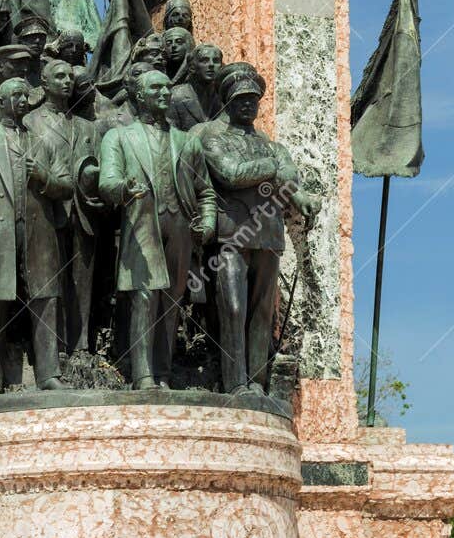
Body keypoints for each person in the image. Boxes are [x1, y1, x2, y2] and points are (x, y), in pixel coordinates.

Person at [196, 66, 319, 394]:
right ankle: (236, 384)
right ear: (228, 103)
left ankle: (257, 384)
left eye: (253, 99)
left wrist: (302, 198)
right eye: (241, 99)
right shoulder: (213, 139)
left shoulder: (273, 146)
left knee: (263, 312)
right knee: (233, 310)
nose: (248, 105)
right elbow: (232, 174)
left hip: (267, 236)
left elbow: (289, 180)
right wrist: (272, 168)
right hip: (232, 236)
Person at [98, 69, 215, 390]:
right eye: (156, 88)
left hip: (180, 227)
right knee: (144, 297)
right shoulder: (118, 137)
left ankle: (163, 373)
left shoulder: (187, 142)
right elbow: (106, 182)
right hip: (141, 225)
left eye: (167, 88)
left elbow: (205, 191)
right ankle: (143, 375)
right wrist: (123, 188)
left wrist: (207, 223)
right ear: (139, 96)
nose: (164, 93)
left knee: (172, 299)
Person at [0, 76, 70, 393]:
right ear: (1, 102)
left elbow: (67, 185)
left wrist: (44, 177)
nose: (23, 100)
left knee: (45, 300)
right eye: (16, 95)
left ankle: (49, 374)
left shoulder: (42, 143)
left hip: (38, 234)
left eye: (25, 95)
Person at [25, 58, 103, 358]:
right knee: (49, 283)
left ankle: (80, 347)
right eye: (59, 77)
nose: (67, 81)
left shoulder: (88, 127)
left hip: (83, 215)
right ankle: (52, 353)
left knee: (83, 284)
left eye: (70, 76)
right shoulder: (30, 122)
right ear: (44, 83)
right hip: (47, 213)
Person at [169, 43, 223, 129]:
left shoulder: (224, 97)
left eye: (216, 61)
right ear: (192, 67)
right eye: (204, 61)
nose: (211, 65)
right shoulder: (176, 96)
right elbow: (171, 133)